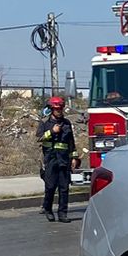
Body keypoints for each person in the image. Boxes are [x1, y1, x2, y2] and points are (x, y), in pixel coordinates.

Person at [37, 95, 80, 223]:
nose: (59, 111)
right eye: (56, 109)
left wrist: (74, 157)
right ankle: (48, 209)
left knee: (64, 188)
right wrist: (52, 131)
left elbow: (71, 142)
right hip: (50, 159)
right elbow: (38, 138)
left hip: (64, 159)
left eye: (60, 109)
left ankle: (62, 214)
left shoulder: (67, 123)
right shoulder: (44, 122)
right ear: (52, 109)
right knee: (50, 187)